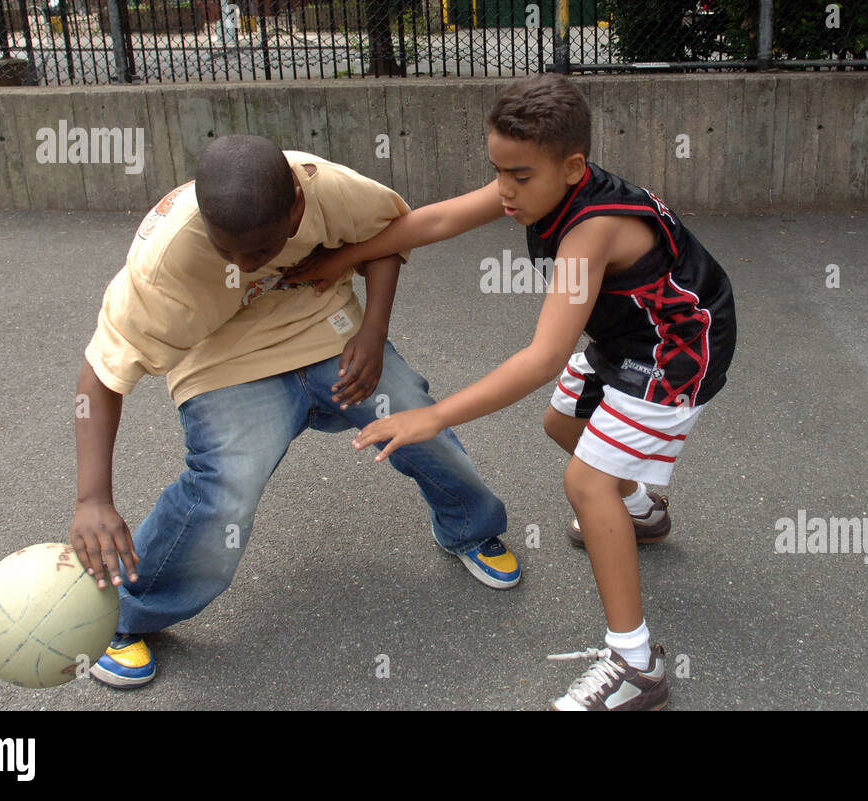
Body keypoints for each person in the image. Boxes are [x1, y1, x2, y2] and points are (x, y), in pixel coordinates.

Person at [283, 74, 736, 710]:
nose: (504, 190)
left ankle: (636, 666)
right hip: (627, 336)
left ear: (572, 167)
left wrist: (429, 416)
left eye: (518, 176)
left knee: (586, 482)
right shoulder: (541, 184)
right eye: (497, 171)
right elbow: (437, 219)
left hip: (676, 353)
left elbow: (543, 356)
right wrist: (344, 257)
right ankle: (640, 512)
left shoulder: (590, 229)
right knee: (561, 425)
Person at [71, 134, 520, 689]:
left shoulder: (323, 186)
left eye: (258, 252)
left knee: (413, 415)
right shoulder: (164, 261)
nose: (241, 265)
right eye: (225, 249)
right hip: (223, 362)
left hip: (324, 329)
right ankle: (127, 613)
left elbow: (384, 235)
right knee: (224, 487)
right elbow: (101, 373)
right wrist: (93, 499)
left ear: (296, 211)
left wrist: (373, 333)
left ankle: (470, 527)